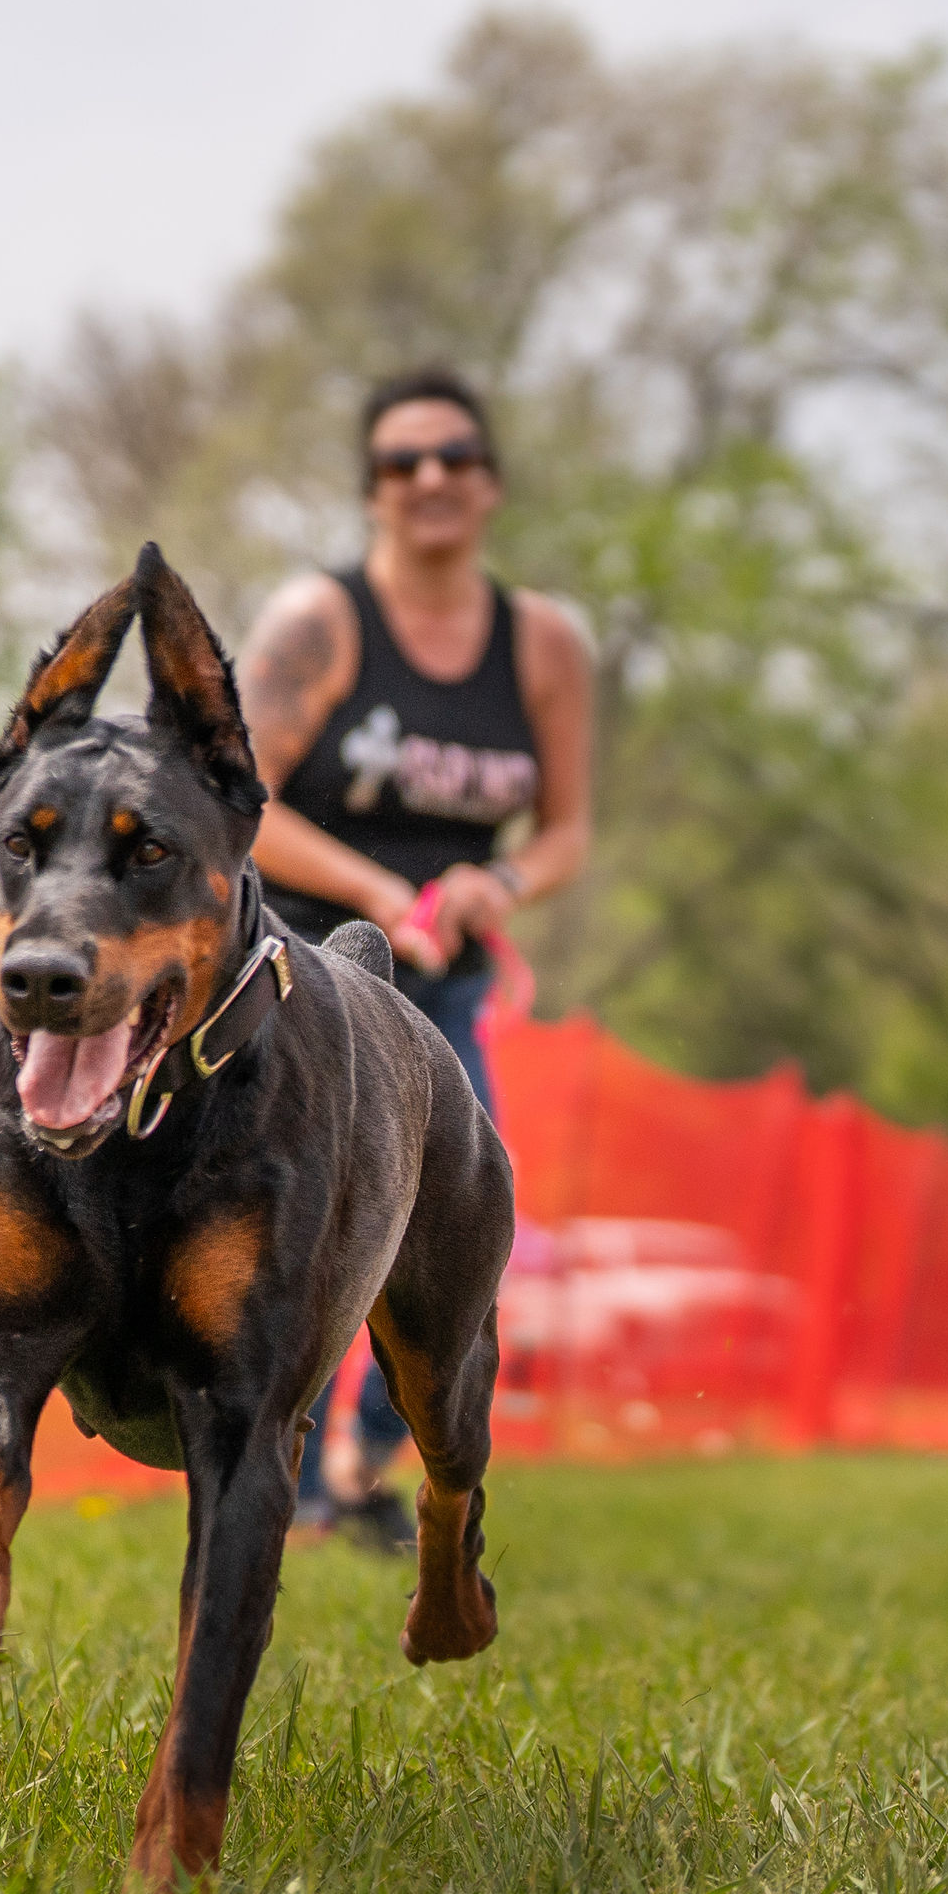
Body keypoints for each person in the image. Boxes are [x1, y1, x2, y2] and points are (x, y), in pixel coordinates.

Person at [239, 367, 594, 1550]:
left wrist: (504, 881)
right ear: (373, 492)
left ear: (489, 482)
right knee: (294, 1215)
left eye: (452, 455)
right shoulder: (319, 625)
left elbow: (568, 827)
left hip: (444, 980)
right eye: (402, 462)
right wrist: (380, 890)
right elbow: (235, 796)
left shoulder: (542, 643)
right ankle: (263, 1457)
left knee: (454, 1226)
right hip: (297, 964)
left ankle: (355, 1469)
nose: (429, 477)